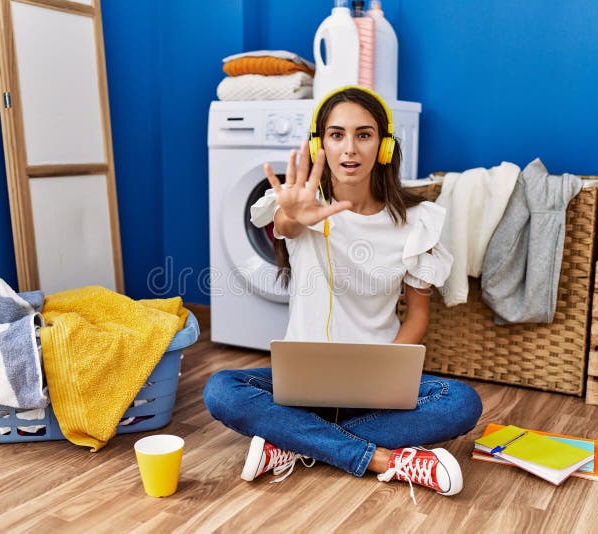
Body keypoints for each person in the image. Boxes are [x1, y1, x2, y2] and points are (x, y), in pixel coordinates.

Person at [203, 86, 482, 504]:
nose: (349, 148)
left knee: (462, 402)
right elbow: (288, 224)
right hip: (302, 386)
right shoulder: (302, 207)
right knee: (221, 389)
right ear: (320, 144)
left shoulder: (415, 223)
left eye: (363, 135)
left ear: (384, 146)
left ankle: (292, 443)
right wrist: (294, 216)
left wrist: (385, 373)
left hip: (375, 387)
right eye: (336, 135)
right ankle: (386, 460)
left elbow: (418, 316)